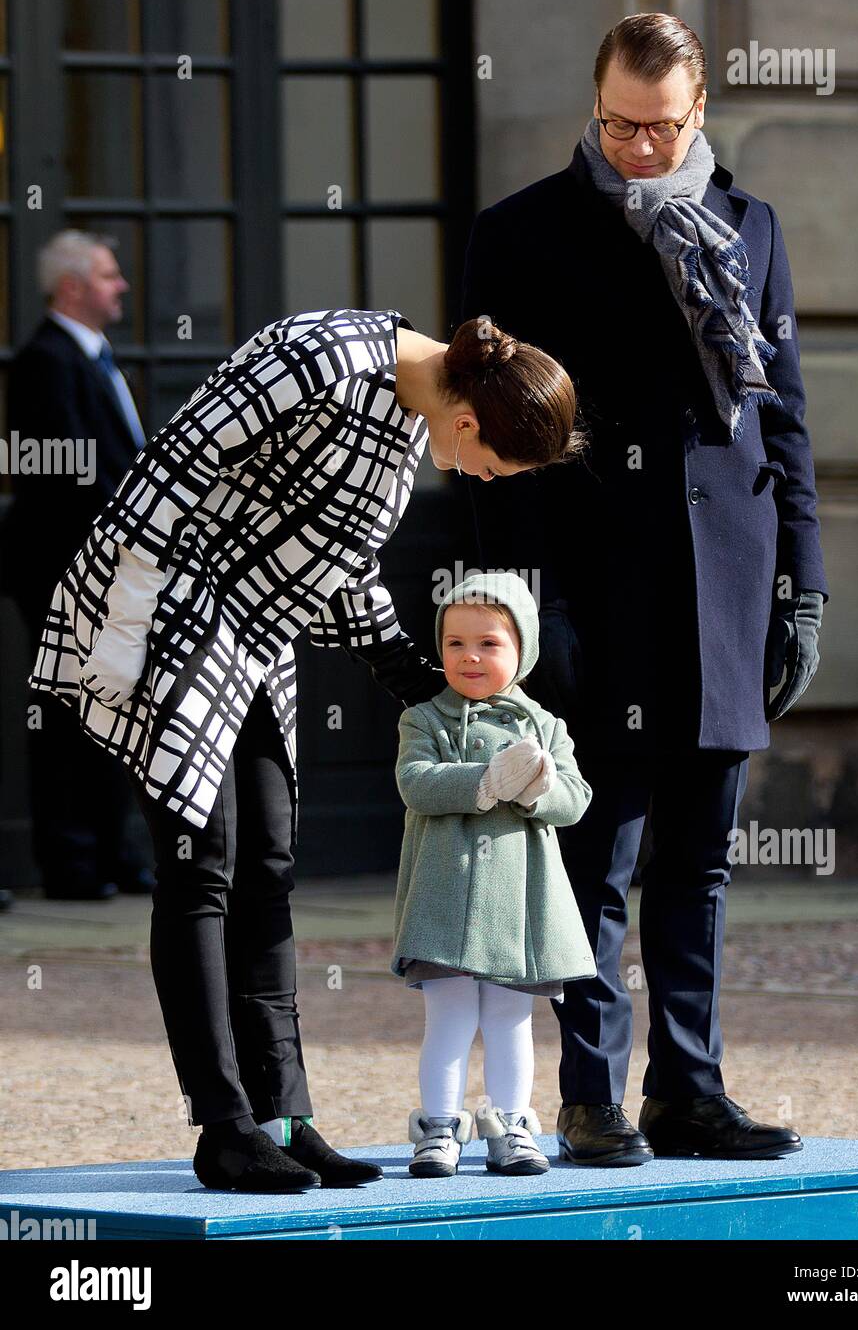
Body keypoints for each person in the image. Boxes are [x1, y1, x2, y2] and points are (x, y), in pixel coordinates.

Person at [26, 308, 580, 1193]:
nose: (477, 477)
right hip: (169, 603)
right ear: (469, 420)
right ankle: (223, 1125)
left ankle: (284, 1115)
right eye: (489, 467)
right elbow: (175, 462)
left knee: (269, 861)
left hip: (253, 633)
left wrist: (418, 680)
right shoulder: (322, 356)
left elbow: (339, 575)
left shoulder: (410, 416)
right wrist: (134, 623)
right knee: (202, 862)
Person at [460, 12, 828, 1163]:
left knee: (701, 861)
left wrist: (801, 587)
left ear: (699, 110)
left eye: (659, 128)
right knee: (595, 856)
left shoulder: (750, 227)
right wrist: (526, 602)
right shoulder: (519, 234)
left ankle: (688, 1088)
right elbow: (489, 440)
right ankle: (591, 1097)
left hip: (727, 585)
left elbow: (786, 423)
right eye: (618, 123)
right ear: (596, 100)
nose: (636, 147)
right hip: (592, 591)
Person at [391, 569, 599, 1178]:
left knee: (511, 1019)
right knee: (449, 1016)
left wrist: (537, 788)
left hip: (522, 905)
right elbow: (415, 784)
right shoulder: (423, 718)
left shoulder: (545, 727)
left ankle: (511, 1123)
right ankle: (439, 1126)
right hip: (444, 899)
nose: (470, 657)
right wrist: (483, 784)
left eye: (489, 644)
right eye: (455, 643)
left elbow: (577, 799)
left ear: (523, 650)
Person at [1, 230, 152, 900]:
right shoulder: (45, 360)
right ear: (71, 287)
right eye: (108, 275)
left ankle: (114, 854)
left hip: (109, 569)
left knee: (112, 707)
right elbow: (63, 473)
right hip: (67, 568)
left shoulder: (91, 355)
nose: (120, 286)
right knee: (66, 714)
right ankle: (71, 864)